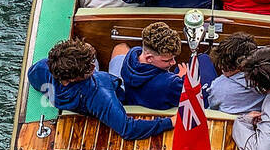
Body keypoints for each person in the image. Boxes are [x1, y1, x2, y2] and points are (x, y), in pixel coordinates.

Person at [27, 38, 172, 140]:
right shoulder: (101, 93)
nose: (92, 64)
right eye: (90, 65)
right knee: (120, 48)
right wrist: (170, 122)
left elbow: (33, 79)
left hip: (79, 92)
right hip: (118, 92)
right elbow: (128, 129)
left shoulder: (42, 68)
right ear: (89, 70)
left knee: (91, 46)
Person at [109, 22, 218, 108]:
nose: (173, 62)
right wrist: (182, 77)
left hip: (137, 97)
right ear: (149, 58)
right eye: (167, 60)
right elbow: (193, 101)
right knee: (203, 59)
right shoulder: (171, 84)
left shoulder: (132, 55)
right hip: (161, 99)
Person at [204, 33, 265, 115]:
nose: (222, 70)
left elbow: (212, 107)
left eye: (224, 67)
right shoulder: (268, 80)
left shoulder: (218, 86)